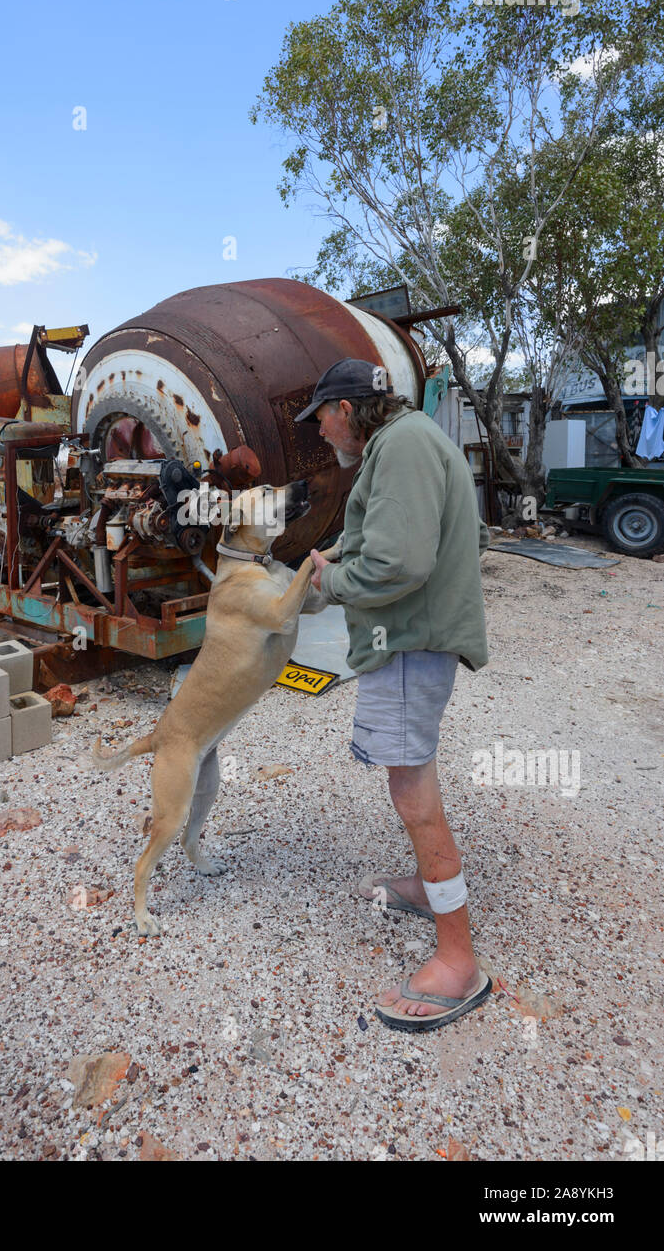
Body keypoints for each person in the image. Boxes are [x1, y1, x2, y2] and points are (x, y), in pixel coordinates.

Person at [295, 358, 491, 1032]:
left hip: (408, 644)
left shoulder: (400, 445)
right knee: (413, 780)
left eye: (319, 418)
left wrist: (328, 586)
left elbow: (401, 564)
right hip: (415, 638)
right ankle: (423, 884)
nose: (319, 432)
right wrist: (345, 556)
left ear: (346, 410)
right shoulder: (414, 438)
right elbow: (463, 536)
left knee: (411, 791)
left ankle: (458, 960)